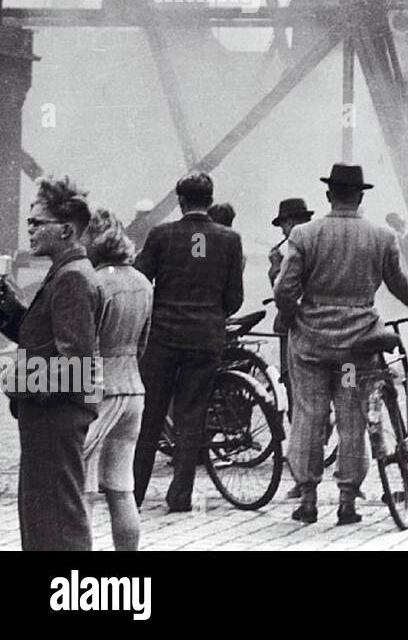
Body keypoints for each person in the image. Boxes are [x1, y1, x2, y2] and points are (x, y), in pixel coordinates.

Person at [274, 163, 408, 525]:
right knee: (352, 421)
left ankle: (308, 499)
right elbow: (403, 286)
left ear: (329, 195)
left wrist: (296, 315)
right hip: (355, 353)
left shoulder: (304, 234)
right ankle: (347, 502)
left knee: (309, 417)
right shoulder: (381, 236)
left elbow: (284, 290)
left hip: (312, 348)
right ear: (361, 196)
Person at [133, 171, 245, 512]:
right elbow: (234, 299)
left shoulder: (161, 235)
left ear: (180, 200)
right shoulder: (229, 239)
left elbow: (139, 280)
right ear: (210, 201)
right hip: (205, 338)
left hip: (164, 338)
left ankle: (134, 493)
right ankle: (180, 495)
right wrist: (210, 312)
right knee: (192, 415)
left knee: (150, 416)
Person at [0, 175, 101, 550]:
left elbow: (75, 366)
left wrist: (16, 378)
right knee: (44, 517)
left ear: (66, 230)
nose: (29, 228)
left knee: (58, 520)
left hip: (55, 418)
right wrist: (6, 302)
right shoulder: (66, 272)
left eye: (37, 222)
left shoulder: (72, 278)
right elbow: (39, 336)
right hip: (49, 418)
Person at [81, 207, 152, 551]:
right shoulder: (142, 282)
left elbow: (86, 344)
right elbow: (143, 344)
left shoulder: (94, 282)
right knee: (122, 486)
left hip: (100, 391)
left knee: (84, 484)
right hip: (134, 388)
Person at [268, 197, 316, 500]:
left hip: (295, 329)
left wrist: (275, 269)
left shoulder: (296, 247)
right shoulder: (315, 240)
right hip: (315, 329)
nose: (287, 228)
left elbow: (282, 291)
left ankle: (304, 477)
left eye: (288, 222)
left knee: (299, 400)